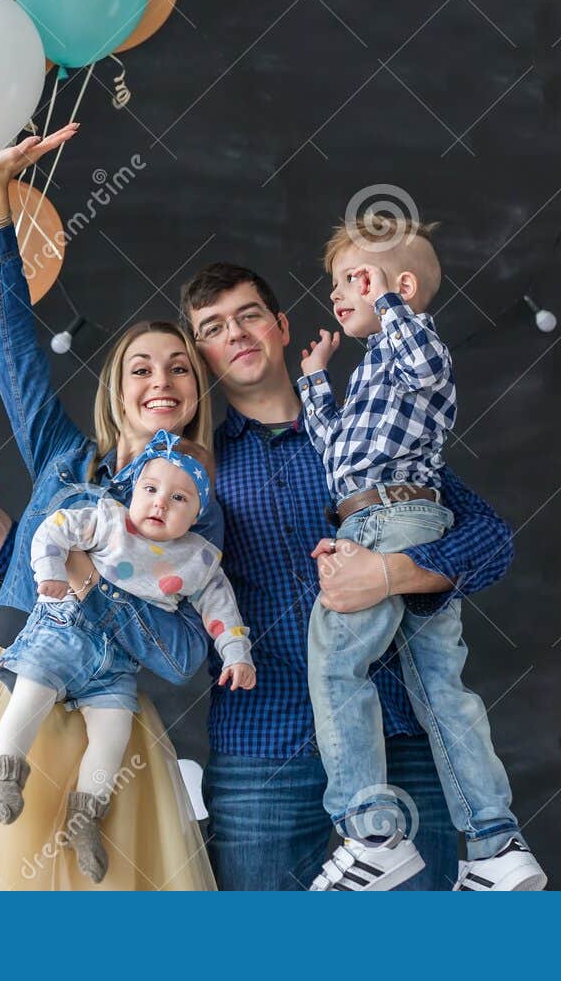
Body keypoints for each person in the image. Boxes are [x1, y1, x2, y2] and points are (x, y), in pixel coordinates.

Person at [0, 122, 217, 891]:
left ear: (194, 395)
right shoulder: (64, 456)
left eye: (180, 369)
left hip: (106, 731)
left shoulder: (196, 512)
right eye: (142, 368)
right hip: (4, 686)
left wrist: (92, 583)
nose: (162, 380)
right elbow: (12, 341)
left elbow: (184, 657)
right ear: (117, 393)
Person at [181, 259, 534, 890]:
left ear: (282, 327)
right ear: (202, 354)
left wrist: (392, 573)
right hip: (263, 752)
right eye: (213, 327)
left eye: (249, 315)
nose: (234, 333)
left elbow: (491, 542)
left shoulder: (373, 441)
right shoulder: (189, 471)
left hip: (400, 741)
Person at [292, 211, 545, 892]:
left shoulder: (412, 348)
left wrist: (390, 304)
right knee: (439, 686)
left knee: (337, 661)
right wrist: (315, 377)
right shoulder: (373, 376)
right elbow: (337, 450)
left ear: (398, 287)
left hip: (394, 521)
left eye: (355, 277)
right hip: (381, 519)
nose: (341, 292)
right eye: (337, 283)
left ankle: (371, 829)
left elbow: (429, 363)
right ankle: (496, 842)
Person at [0, 431, 256, 882]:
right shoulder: (108, 519)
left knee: (112, 735)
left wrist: (236, 654)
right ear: (134, 488)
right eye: (150, 490)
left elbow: (222, 612)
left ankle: (84, 817)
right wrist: (50, 571)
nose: (159, 504)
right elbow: (51, 530)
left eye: (179, 498)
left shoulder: (198, 559)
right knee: (29, 697)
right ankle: (5, 775)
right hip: (65, 631)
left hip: (116, 665)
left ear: (199, 511)